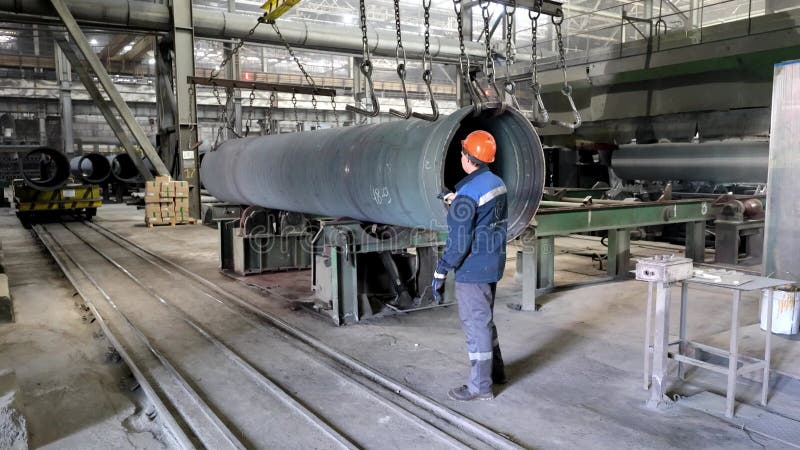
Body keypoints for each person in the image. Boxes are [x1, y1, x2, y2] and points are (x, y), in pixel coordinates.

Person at [432, 129, 508, 401]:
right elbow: (483, 214)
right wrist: (457, 200)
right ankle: (496, 372)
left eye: (462, 152)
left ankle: (480, 387)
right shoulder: (496, 182)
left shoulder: (467, 194)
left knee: (476, 326)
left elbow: (458, 243)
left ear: (467, 158)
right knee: (484, 320)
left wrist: (441, 270)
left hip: (472, 268)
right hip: (493, 263)